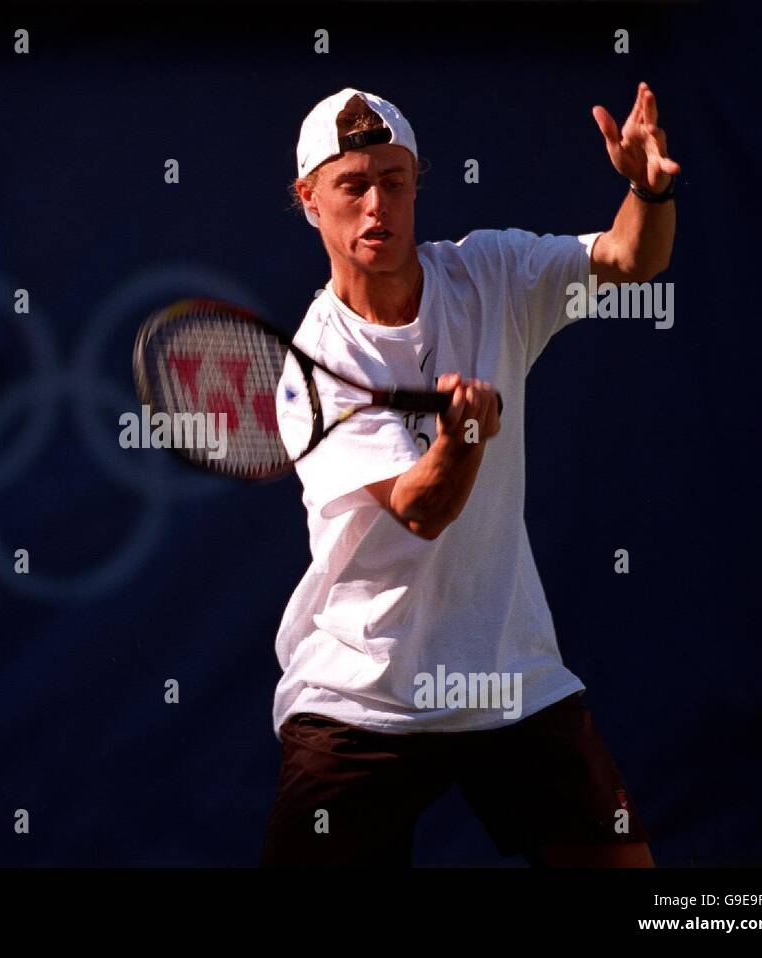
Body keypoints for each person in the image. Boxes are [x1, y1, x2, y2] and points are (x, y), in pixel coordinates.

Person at [261, 85, 678, 867]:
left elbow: (630, 259)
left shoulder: (492, 272)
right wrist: (467, 436)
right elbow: (423, 509)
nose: (376, 203)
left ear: (418, 184)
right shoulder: (313, 369)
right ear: (310, 200)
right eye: (352, 185)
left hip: (504, 677)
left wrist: (646, 190)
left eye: (394, 180)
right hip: (362, 697)